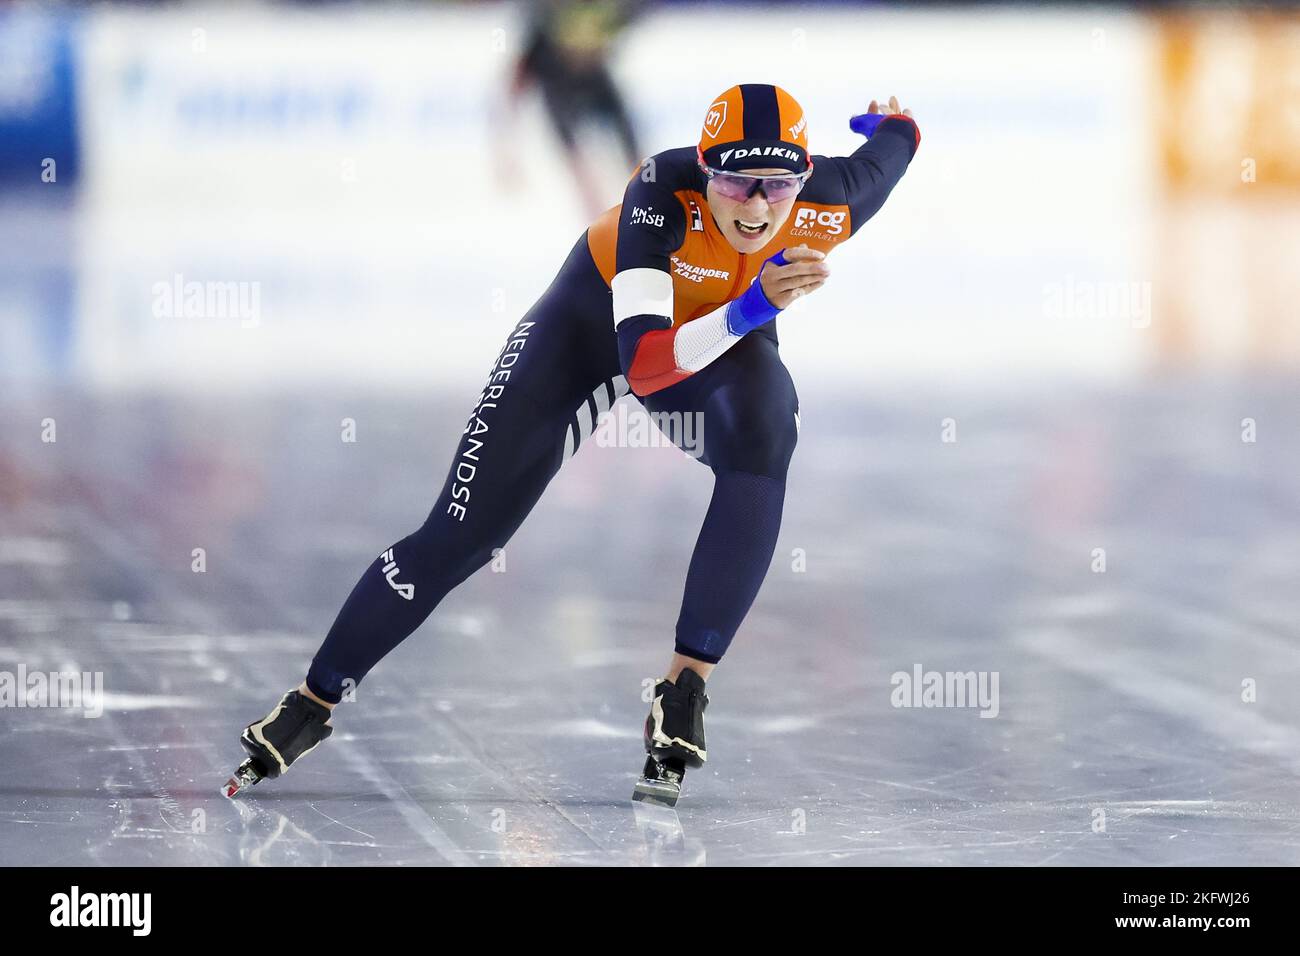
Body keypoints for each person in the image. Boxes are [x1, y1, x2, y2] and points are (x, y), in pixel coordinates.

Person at [225, 84, 920, 806]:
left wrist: (892, 120)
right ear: (704, 171)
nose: (755, 206)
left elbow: (897, 148)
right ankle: (312, 701)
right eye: (734, 180)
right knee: (462, 537)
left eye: (776, 185)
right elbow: (645, 364)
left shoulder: (831, 200)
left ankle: (684, 691)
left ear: (804, 179)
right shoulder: (658, 194)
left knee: (768, 431)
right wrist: (755, 306)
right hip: (591, 332)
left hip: (717, 341)